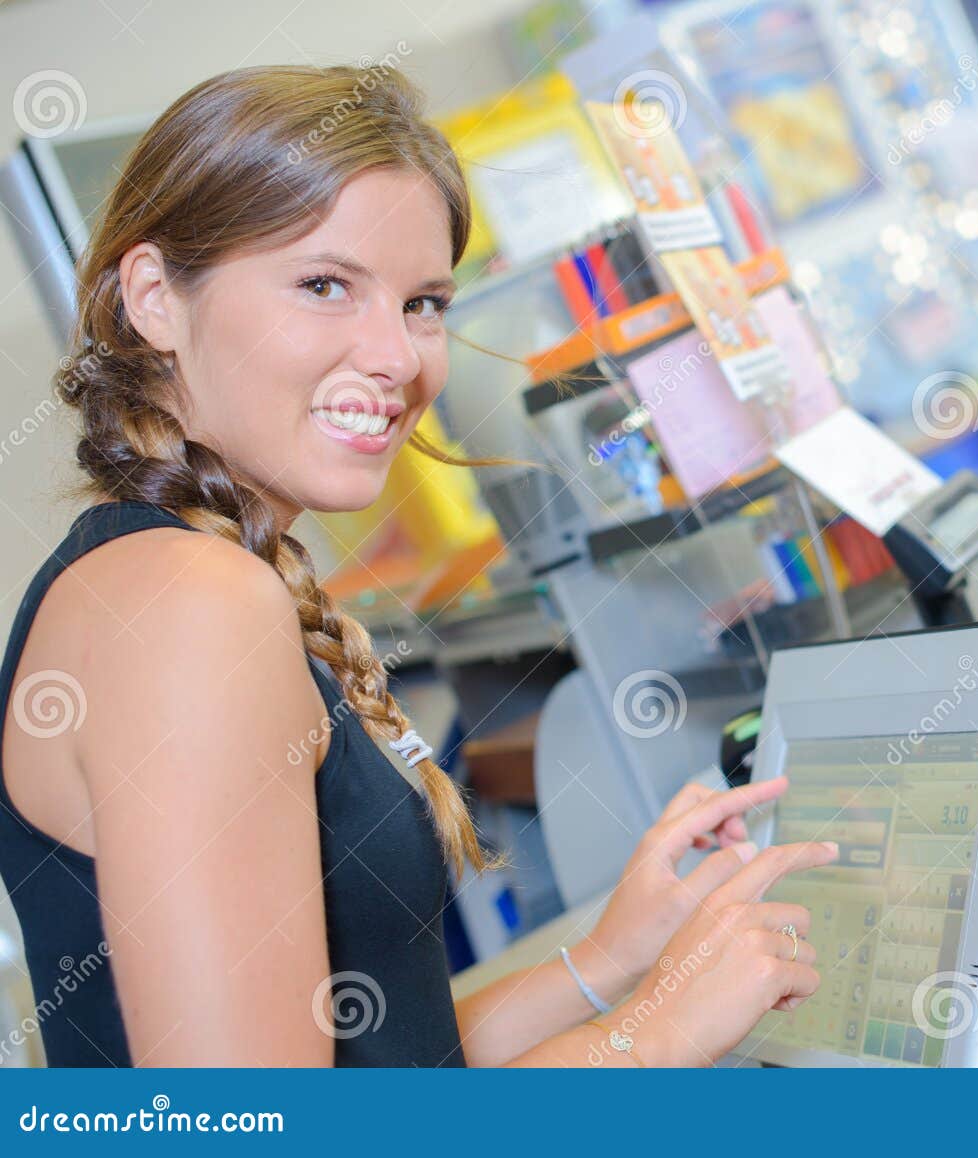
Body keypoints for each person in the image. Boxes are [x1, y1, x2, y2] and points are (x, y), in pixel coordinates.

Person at [0, 64, 836, 1067]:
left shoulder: (172, 574)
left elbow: (393, 1056)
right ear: (153, 299)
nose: (395, 356)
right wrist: (651, 1036)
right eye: (322, 285)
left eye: (423, 302)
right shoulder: (189, 604)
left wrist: (613, 958)